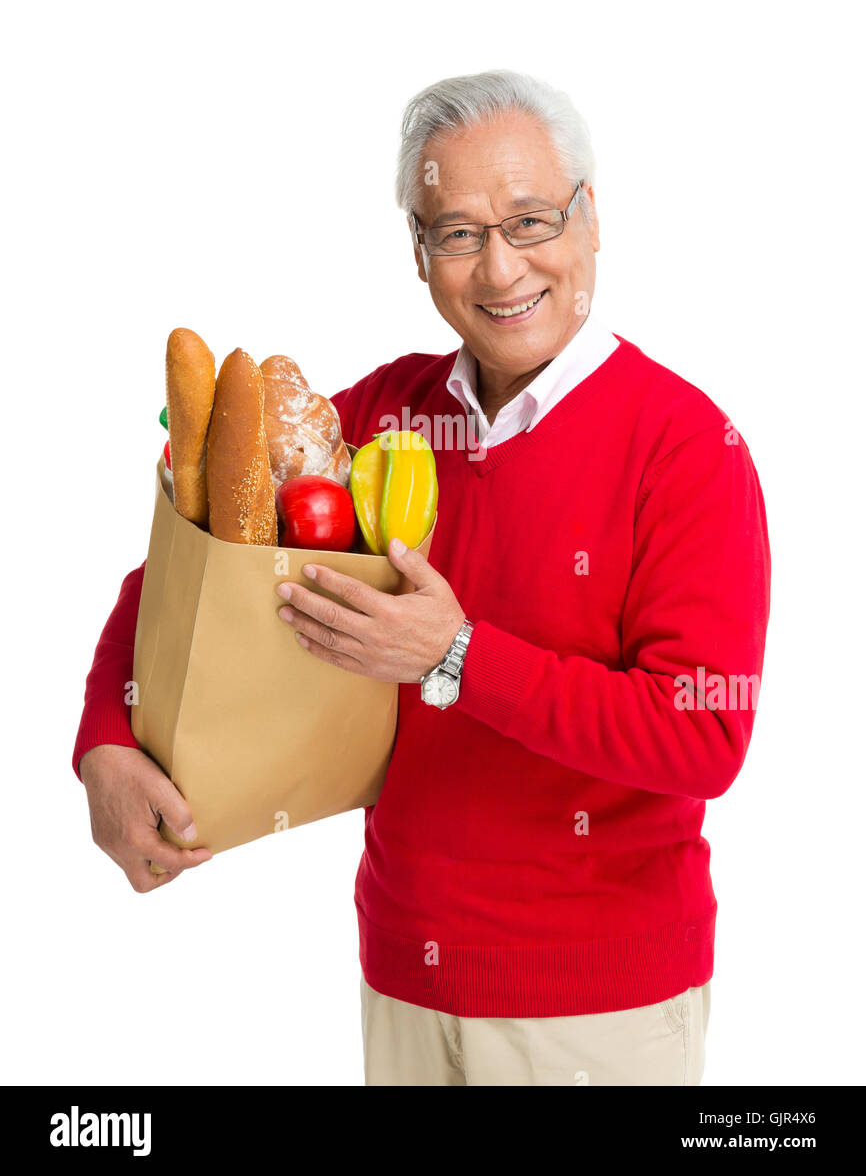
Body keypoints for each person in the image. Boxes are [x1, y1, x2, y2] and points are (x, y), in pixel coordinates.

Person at [74, 70, 771, 1086]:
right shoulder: (380, 414)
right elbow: (187, 571)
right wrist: (102, 740)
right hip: (403, 978)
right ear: (417, 254)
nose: (499, 268)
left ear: (590, 223)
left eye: (529, 219)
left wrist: (454, 655)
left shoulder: (684, 447)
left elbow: (699, 735)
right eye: (455, 232)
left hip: (594, 1012)